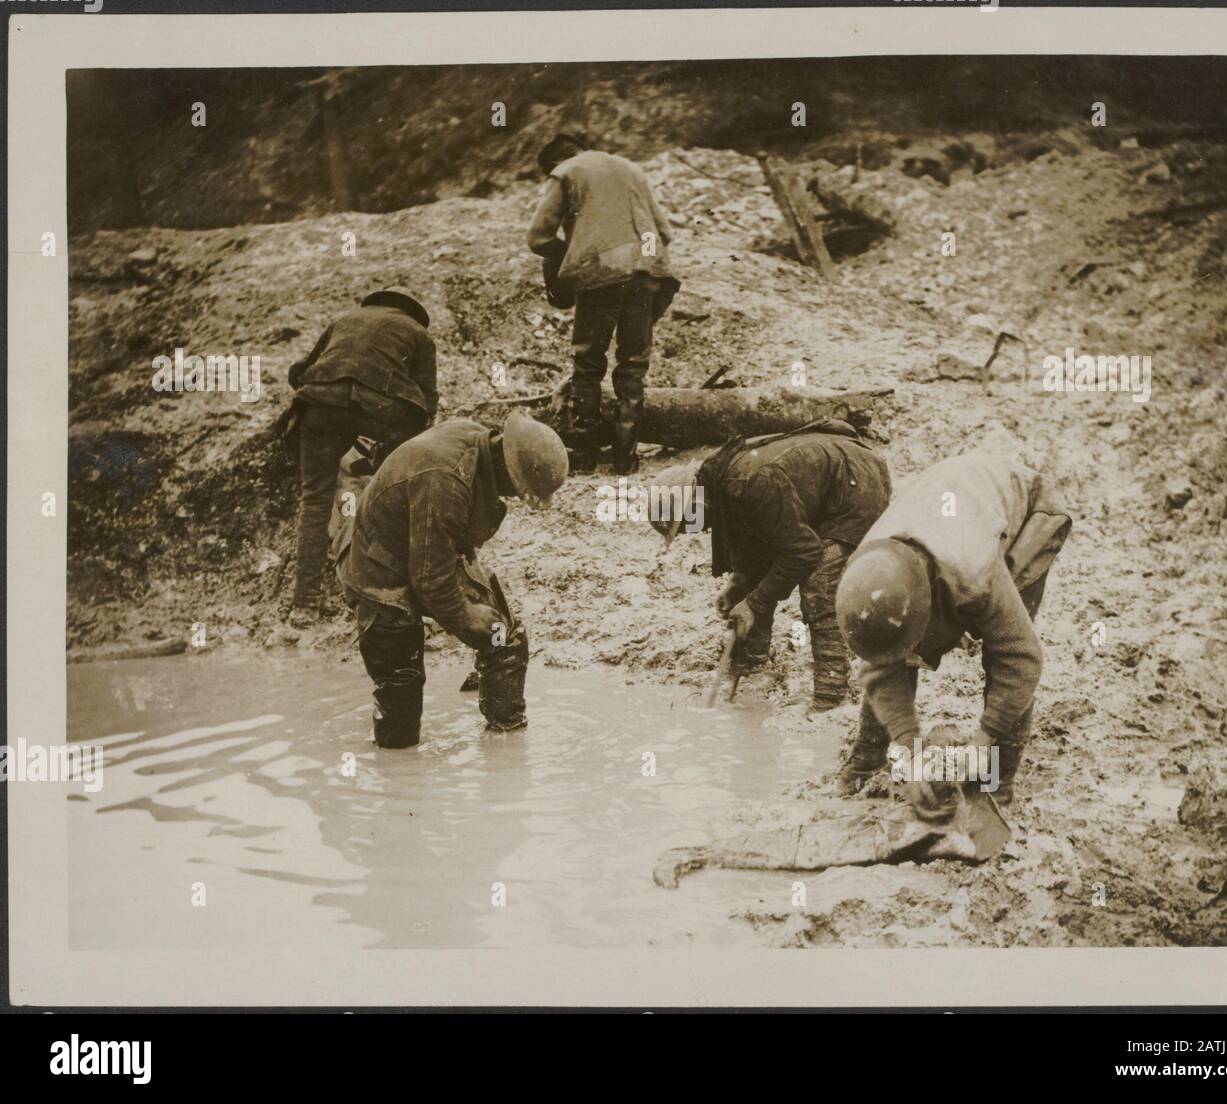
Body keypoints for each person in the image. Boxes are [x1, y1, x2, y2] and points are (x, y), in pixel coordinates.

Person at [833, 452, 1071, 808]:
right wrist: (909, 753)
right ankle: (867, 756)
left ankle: (998, 780)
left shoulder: (975, 574)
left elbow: (1022, 660)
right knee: (891, 640)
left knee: (1002, 648)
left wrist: (982, 742)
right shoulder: (868, 572)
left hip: (1027, 514)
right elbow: (882, 663)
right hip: (949, 510)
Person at [337, 411, 568, 748]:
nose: (516, 497)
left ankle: (505, 744)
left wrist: (481, 618)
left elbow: (440, 551)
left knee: (504, 636)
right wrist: (466, 618)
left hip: (426, 550)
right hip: (376, 568)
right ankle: (397, 772)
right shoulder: (445, 480)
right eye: (520, 490)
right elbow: (431, 580)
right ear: (507, 469)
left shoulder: (478, 440)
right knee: (401, 685)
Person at [650, 420, 891, 711]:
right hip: (822, 488)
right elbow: (753, 548)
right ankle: (753, 669)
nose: (694, 531)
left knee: (819, 584)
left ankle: (830, 695)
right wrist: (739, 586)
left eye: (688, 523)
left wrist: (755, 602)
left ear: (696, 502)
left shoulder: (751, 481)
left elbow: (803, 552)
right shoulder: (723, 486)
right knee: (749, 589)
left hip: (856, 486)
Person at [526, 133, 679, 475]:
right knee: (633, 364)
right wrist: (641, 259)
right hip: (646, 274)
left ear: (554, 162)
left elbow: (537, 237)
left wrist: (571, 256)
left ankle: (584, 456)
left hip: (599, 277)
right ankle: (625, 458)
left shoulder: (565, 172)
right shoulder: (630, 168)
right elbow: (664, 234)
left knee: (588, 363)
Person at [284, 286, 438, 624]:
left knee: (315, 500)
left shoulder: (344, 320)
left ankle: (305, 606)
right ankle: (392, 589)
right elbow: (427, 402)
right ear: (412, 311)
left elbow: (299, 372)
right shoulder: (418, 334)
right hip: (381, 413)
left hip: (320, 407)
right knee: (397, 493)